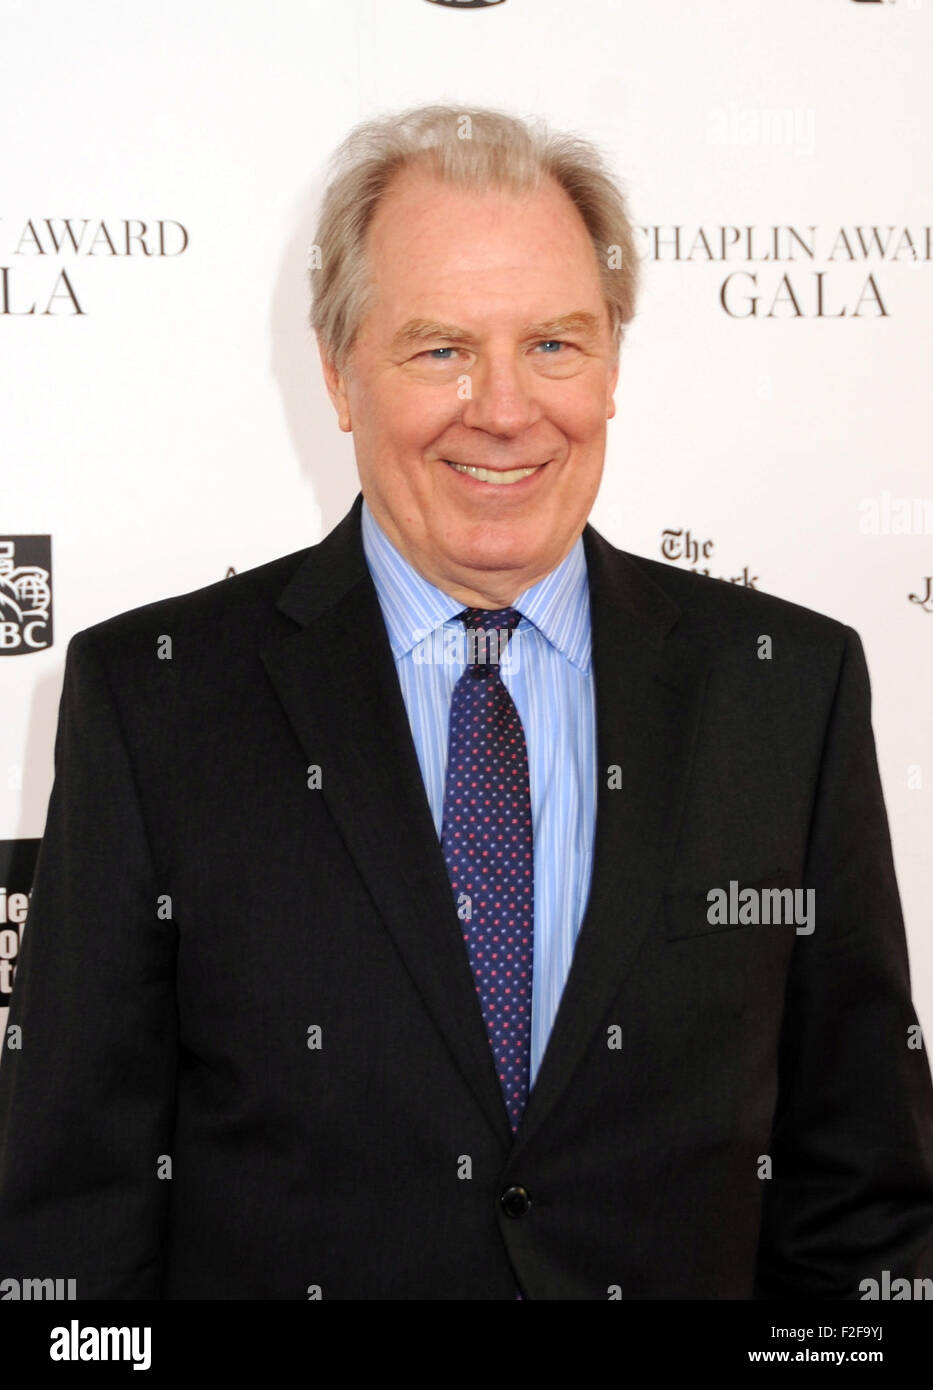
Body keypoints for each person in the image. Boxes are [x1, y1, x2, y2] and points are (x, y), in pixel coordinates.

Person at [1, 104, 931, 1300]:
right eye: (441, 349)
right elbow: (69, 1229)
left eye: (555, 344)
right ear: (339, 375)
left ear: (612, 365)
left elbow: (859, 1202)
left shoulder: (786, 691)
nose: (503, 408)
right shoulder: (157, 700)